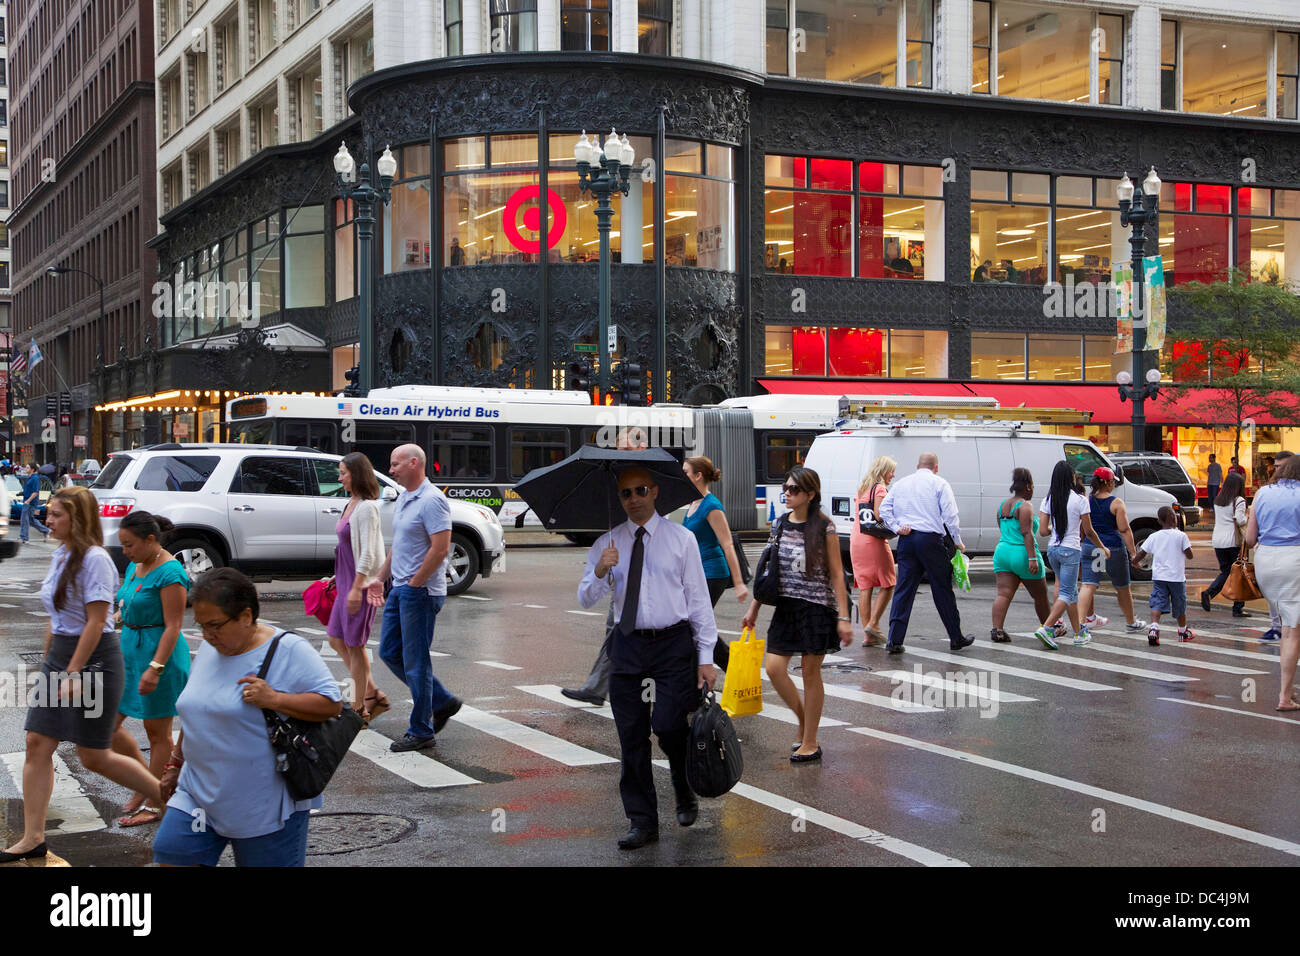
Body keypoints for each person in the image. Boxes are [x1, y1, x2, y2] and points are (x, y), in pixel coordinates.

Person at [1, 487, 162, 864]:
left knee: (94, 756)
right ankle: (33, 837)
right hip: (62, 656)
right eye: (49, 513)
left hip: (93, 660)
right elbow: (56, 620)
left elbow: (95, 621)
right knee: (37, 742)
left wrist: (73, 672)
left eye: (56, 514)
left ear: (78, 518)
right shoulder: (62, 554)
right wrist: (48, 667)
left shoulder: (96, 559)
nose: (48, 519)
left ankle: (172, 801)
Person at [153, 568, 342, 866]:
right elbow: (198, 710)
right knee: (173, 852)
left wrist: (274, 699)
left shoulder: (287, 649)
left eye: (215, 625)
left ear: (246, 616)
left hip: (262, 803)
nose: (207, 635)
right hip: (199, 793)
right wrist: (176, 763)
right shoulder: (212, 647)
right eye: (201, 626)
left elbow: (332, 704)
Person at [578, 466, 718, 849]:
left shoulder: (681, 539)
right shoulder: (608, 542)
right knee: (632, 737)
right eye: (625, 493)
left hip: (673, 645)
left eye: (640, 490)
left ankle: (682, 781)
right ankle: (643, 822)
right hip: (628, 646)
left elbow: (698, 600)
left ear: (655, 492)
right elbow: (585, 597)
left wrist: (706, 657)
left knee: (670, 725)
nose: (633, 498)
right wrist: (601, 570)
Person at [742, 467, 852, 763]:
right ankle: (804, 721)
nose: (787, 494)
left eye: (793, 490)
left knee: (809, 672)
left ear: (810, 494)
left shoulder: (824, 526)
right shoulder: (779, 524)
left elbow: (838, 575)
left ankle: (811, 741)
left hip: (817, 608)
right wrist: (754, 608)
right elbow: (769, 569)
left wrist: (844, 617)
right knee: (774, 669)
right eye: (786, 488)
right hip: (786, 606)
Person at [366, 444, 463, 752]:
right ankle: (442, 700)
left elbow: (441, 549)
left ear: (413, 463)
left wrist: (414, 584)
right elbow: (400, 546)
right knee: (390, 653)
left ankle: (421, 730)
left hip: (419, 592)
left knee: (416, 664)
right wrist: (381, 578)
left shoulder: (433, 500)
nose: (390, 469)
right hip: (401, 588)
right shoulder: (407, 496)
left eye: (395, 464)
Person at [109, 511, 191, 828]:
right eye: (123, 545)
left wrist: (155, 668)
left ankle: (157, 803)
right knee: (106, 727)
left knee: (157, 734)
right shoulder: (136, 564)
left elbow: (173, 627)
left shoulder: (170, 572)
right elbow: (126, 604)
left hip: (160, 656)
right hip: (130, 653)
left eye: (129, 545)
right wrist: (112, 619)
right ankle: (147, 783)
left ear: (150, 540)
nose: (125, 552)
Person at [878, 452, 975, 654]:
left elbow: (885, 509)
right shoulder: (940, 484)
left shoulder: (901, 484)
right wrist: (958, 542)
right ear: (936, 467)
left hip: (907, 539)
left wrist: (896, 527)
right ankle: (955, 637)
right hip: (930, 540)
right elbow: (950, 516)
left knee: (904, 589)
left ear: (917, 465)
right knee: (942, 588)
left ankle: (894, 640)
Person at [326, 453, 389, 725]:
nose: (339, 478)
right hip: (345, 580)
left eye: (343, 473)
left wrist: (355, 588)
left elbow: (368, 553)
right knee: (336, 640)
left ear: (357, 474)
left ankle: (358, 708)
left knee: (355, 645)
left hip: (359, 584)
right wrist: (335, 576)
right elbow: (347, 548)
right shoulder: (350, 503)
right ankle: (372, 694)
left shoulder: (367, 507)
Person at [1244, 454, 1300, 707]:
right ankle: (1285, 696)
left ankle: (1289, 689)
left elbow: (1249, 539)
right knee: (1291, 630)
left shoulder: (1262, 494)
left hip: (1266, 561)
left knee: (1289, 626)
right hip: (1294, 560)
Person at [1034, 461, 1108, 648]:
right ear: (1071, 478)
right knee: (1066, 593)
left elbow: (1042, 531)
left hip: (1053, 551)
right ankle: (1047, 627)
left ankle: (1079, 633)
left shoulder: (1048, 500)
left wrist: (1055, 528)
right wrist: (1102, 548)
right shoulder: (1080, 500)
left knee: (1071, 592)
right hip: (1071, 551)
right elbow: (1089, 530)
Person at [682, 456, 749, 625]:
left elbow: (727, 544)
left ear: (698, 475)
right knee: (695, 623)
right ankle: (718, 652)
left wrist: (739, 583)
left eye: (685, 472)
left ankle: (721, 653)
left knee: (695, 622)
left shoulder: (712, 506)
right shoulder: (694, 502)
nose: (683, 476)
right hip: (698, 572)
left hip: (712, 573)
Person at [1077, 467, 1146, 634]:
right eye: (1113, 481)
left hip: (1090, 546)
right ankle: (1130, 623)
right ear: (1107, 482)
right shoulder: (1116, 503)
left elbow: (1082, 526)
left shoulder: (1086, 501)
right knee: (1122, 586)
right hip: (1112, 548)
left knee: (1088, 586)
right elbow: (1125, 530)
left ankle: (1079, 624)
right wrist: (1133, 553)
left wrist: (1081, 542)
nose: (1114, 484)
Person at [990, 468, 1053, 645]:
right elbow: (1027, 533)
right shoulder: (1025, 506)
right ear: (1028, 486)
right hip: (1023, 553)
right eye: (1032, 486)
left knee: (1003, 593)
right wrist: (1032, 558)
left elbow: (1002, 528)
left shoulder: (1002, 505)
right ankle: (1048, 628)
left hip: (1002, 552)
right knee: (1040, 595)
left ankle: (997, 630)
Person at [851, 455, 897, 646]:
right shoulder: (879, 489)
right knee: (889, 583)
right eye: (891, 471)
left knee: (865, 586)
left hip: (857, 539)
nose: (893, 475)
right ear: (884, 471)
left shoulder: (862, 488)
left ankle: (868, 635)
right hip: (873, 541)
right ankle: (874, 625)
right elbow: (879, 515)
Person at [1138, 506, 1194, 646]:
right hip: (1176, 578)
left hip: (1159, 577)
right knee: (1179, 604)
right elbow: (1190, 555)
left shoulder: (1154, 536)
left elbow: (1142, 552)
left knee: (1157, 602)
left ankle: (1154, 628)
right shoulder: (1181, 536)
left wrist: (1134, 562)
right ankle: (1182, 631)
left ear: (1159, 520)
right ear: (1175, 519)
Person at [1200, 471, 1249, 617]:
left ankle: (1209, 593)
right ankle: (1237, 608)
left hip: (1218, 540)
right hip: (1232, 541)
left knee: (1227, 571)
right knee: (1239, 573)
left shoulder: (1218, 500)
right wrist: (1249, 516)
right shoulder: (1238, 500)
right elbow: (1240, 520)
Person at [19, 467, 51, 543]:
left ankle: (24, 538)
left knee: (24, 519)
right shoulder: (29, 478)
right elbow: (29, 490)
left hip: (30, 502)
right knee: (31, 520)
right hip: (27, 501)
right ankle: (46, 531)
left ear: (32, 469)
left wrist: (28, 501)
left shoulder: (35, 478)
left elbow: (36, 492)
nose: (25, 469)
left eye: (27, 468)